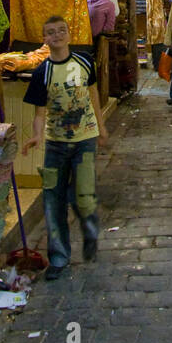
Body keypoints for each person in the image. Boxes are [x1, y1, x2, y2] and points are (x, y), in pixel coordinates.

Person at [23, 15, 109, 280]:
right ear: (45, 39)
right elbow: (40, 113)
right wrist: (36, 136)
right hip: (56, 144)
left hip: (84, 140)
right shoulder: (42, 73)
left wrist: (101, 125)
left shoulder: (84, 62)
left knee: (83, 196)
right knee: (53, 202)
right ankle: (59, 257)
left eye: (62, 30)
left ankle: (90, 233)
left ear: (70, 34)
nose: (57, 35)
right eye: (51, 32)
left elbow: (93, 93)